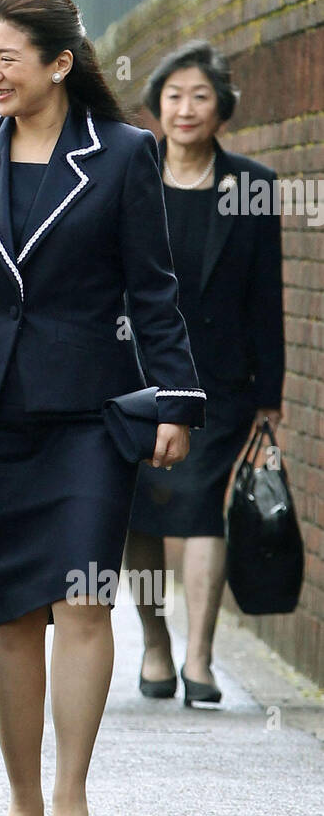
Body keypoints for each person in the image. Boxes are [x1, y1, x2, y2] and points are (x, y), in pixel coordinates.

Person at [0, 0, 205, 816]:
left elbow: (151, 287)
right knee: (9, 614)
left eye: (9, 57)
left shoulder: (122, 154)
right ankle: (21, 803)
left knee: (83, 599)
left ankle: (72, 796)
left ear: (57, 62)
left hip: (88, 411)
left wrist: (175, 397)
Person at [126, 42, 284, 706]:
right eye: (173, 96)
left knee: (197, 509)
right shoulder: (126, 175)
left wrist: (268, 397)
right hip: (130, 374)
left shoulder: (250, 186)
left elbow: (264, 297)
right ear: (156, 106)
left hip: (218, 382)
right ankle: (155, 643)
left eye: (199, 97)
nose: (185, 109)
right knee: (137, 517)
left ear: (221, 110)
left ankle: (199, 657)